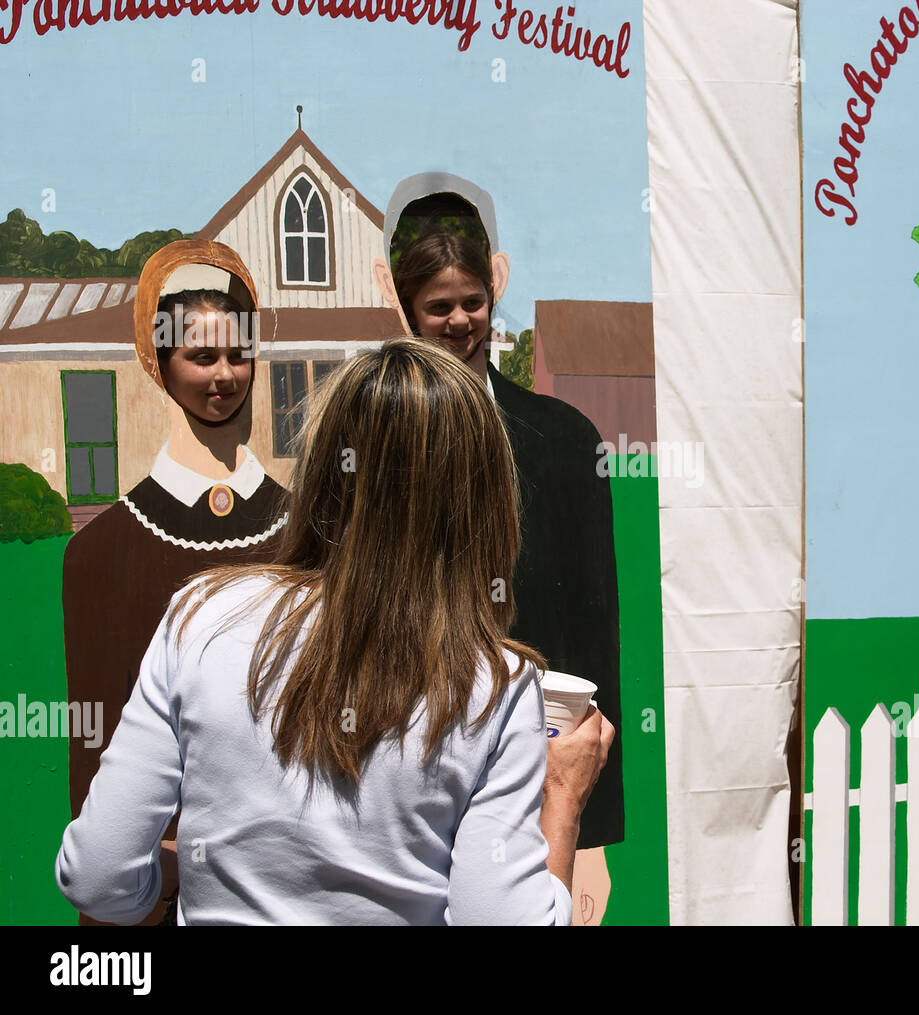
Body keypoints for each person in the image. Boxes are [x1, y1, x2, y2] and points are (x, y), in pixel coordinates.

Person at [56, 338, 615, 924]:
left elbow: (97, 878)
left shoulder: (199, 618)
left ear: (323, 468)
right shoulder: (496, 686)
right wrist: (562, 798)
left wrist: (180, 877)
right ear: (485, 499)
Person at [377, 175, 624, 923]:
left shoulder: (565, 438)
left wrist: (591, 835)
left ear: (496, 289)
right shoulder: (373, 443)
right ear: (404, 307)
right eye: (439, 308)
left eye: (473, 303)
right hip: (405, 769)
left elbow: (595, 631)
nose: (459, 322)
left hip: (536, 769)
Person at [62, 240, 287, 925]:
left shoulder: (308, 532)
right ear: (158, 361)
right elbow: (94, 765)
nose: (224, 375)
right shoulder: (99, 554)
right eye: (201, 356)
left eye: (237, 353)